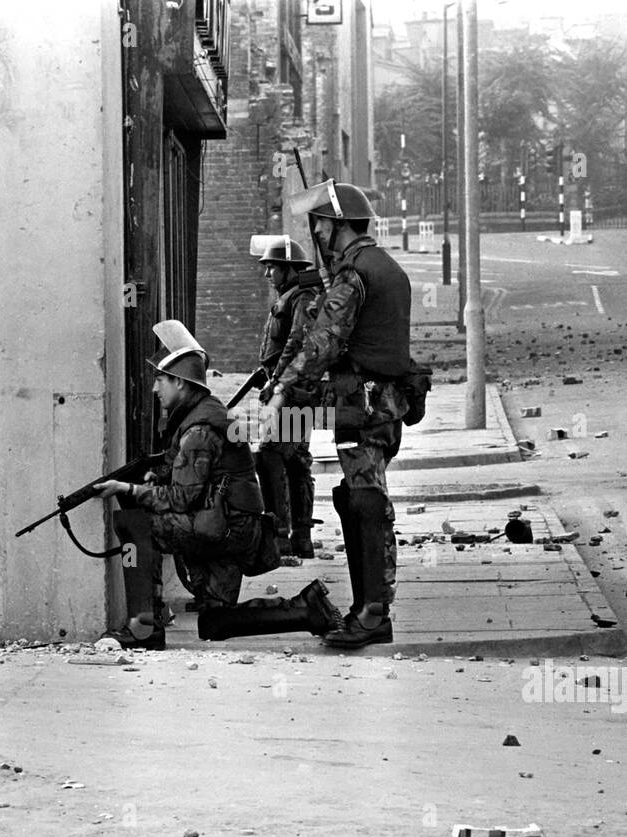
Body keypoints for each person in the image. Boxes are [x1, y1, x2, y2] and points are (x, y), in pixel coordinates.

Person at [93, 320, 342, 649]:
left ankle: (144, 627)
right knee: (215, 621)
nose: (155, 390)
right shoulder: (203, 414)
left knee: (134, 526)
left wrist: (130, 490)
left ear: (180, 383)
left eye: (160, 380)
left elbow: (182, 498)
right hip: (232, 526)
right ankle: (307, 609)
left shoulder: (199, 429)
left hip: (224, 530)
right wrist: (160, 474)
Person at [265, 181, 412, 650]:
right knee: (358, 498)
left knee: (366, 504)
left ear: (340, 224)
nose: (319, 233)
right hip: (383, 403)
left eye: (322, 224)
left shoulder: (354, 275)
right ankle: (367, 608)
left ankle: (373, 613)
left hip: (363, 407)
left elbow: (324, 342)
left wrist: (284, 387)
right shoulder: (384, 267)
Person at [253, 237, 322, 558]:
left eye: (272, 267)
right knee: (294, 461)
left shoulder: (303, 297)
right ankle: (301, 539)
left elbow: (296, 343)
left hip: (292, 394)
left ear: (290, 268)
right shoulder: (293, 296)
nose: (268, 274)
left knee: (268, 456)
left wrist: (277, 382)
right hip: (291, 391)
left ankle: (280, 535)